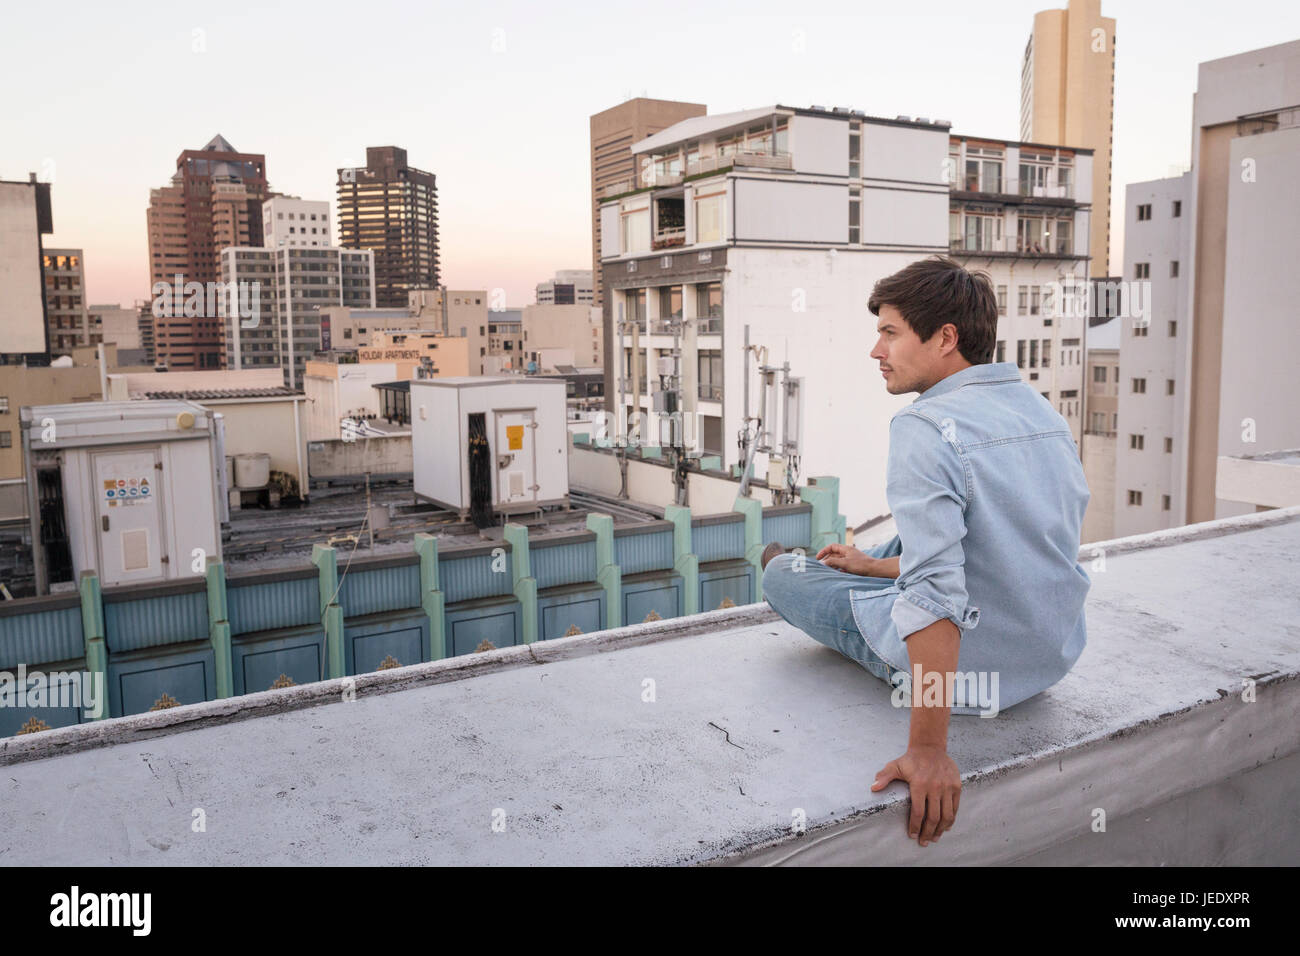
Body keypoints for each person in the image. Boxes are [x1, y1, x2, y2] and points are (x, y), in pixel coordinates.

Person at [761, 255, 1090, 848]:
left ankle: (803, 565)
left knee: (784, 574)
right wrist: (880, 565)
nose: (876, 350)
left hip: (973, 672)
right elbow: (1009, 543)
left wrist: (929, 749)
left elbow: (937, 594)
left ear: (945, 338)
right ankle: (866, 565)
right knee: (912, 537)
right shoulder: (1041, 410)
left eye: (889, 332)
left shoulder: (926, 427)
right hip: (1045, 655)